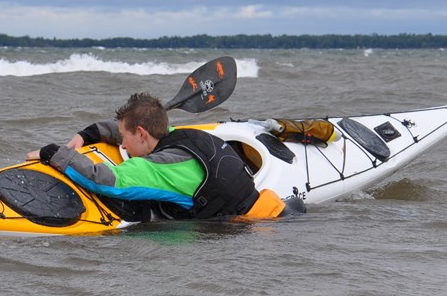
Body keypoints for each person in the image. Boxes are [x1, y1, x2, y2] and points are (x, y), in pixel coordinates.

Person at [27, 92, 286, 220]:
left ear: (141, 134)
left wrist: (53, 153)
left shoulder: (159, 167)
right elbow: (130, 129)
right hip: (277, 210)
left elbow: (104, 180)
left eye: (124, 138)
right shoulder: (182, 136)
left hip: (253, 228)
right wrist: (90, 133)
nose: (123, 146)